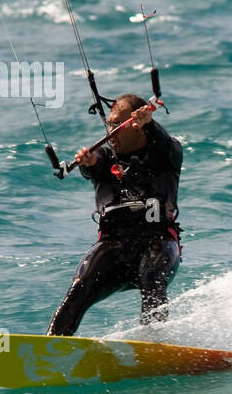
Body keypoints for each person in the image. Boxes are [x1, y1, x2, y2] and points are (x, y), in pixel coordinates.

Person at [47, 93, 183, 336]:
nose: (110, 132)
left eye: (116, 125)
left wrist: (150, 124)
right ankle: (51, 344)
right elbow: (97, 165)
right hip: (114, 246)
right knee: (80, 286)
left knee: (152, 276)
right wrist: (89, 162)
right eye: (109, 124)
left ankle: (156, 345)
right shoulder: (106, 158)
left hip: (158, 241)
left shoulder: (167, 153)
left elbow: (163, 142)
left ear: (137, 125)